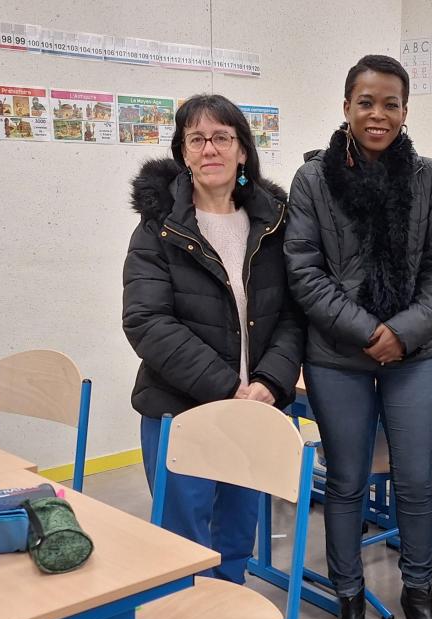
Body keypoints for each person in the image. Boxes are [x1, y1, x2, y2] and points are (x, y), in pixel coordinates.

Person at [285, 54, 432, 619]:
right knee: (347, 483)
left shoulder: (428, 177)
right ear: (346, 108)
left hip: (415, 353)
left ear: (405, 111)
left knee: (414, 481)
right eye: (366, 102)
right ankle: (350, 599)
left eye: (390, 103)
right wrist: (368, 332)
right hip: (337, 356)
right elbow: (304, 271)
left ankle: (419, 594)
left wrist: (403, 333)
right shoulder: (312, 179)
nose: (378, 114)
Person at [123, 93, 303, 583]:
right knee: (182, 546)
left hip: (255, 409)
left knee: (237, 535)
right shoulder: (158, 229)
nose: (210, 149)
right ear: (183, 152)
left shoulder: (274, 224)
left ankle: (231, 609)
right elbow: (145, 320)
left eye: (222, 137)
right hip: (181, 411)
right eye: (196, 139)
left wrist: (270, 381)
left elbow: (293, 315)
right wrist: (227, 387)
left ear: (242, 150)